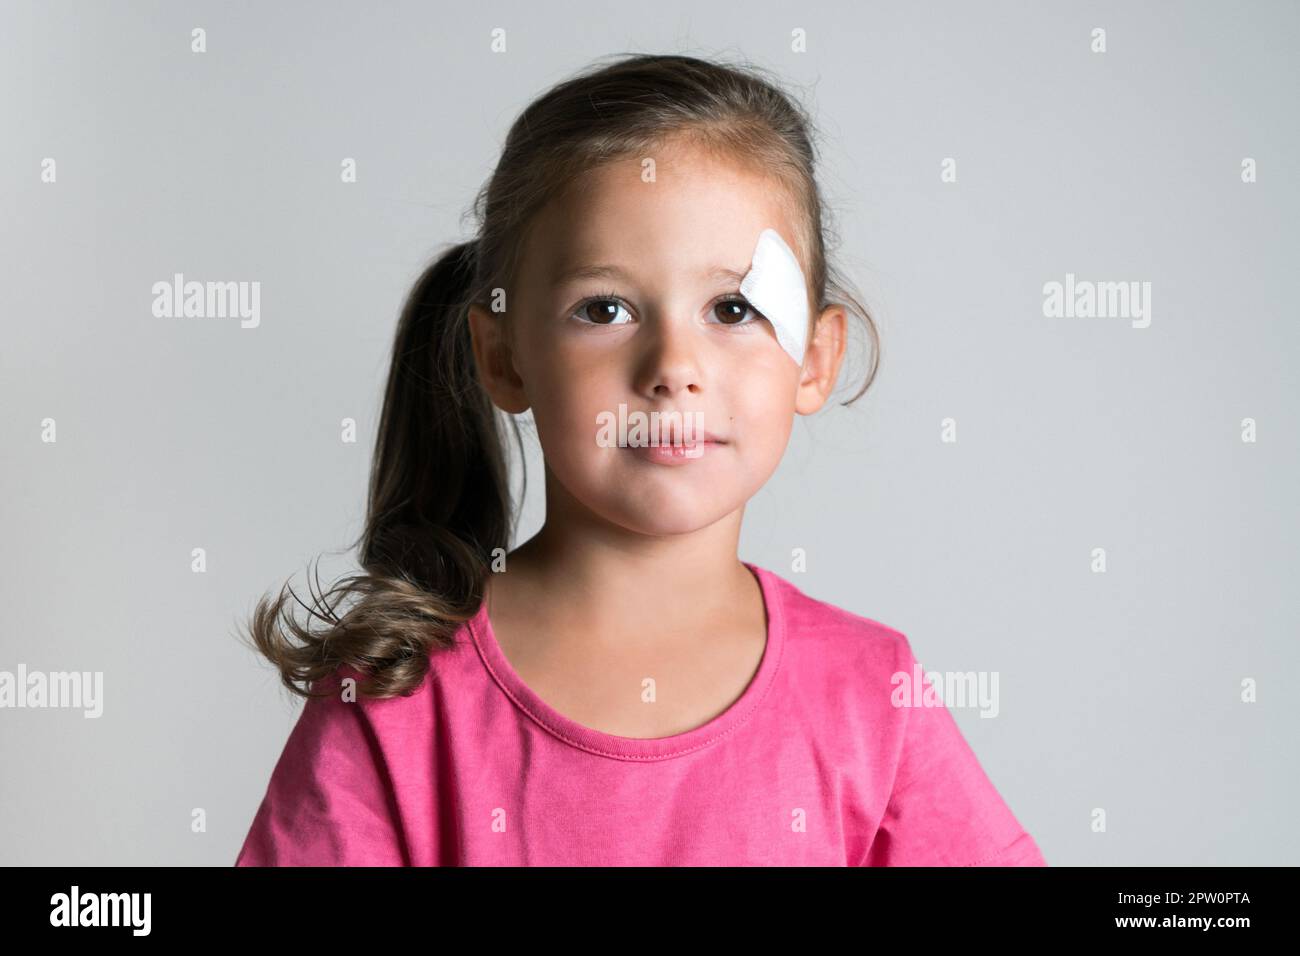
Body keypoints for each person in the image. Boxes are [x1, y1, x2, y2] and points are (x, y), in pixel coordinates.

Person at [234, 52, 1046, 867]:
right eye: (605, 309)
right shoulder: (393, 695)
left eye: (734, 308)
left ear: (814, 359)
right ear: (504, 359)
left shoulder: (873, 692)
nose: (672, 366)